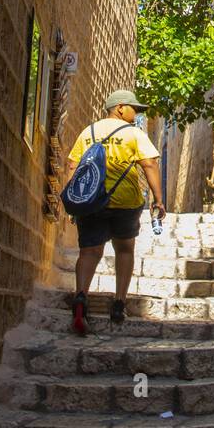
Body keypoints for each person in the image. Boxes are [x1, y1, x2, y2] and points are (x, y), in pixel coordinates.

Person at [62, 90, 166, 333]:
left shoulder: (88, 132)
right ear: (120, 108)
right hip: (125, 202)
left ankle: (80, 299)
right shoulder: (133, 133)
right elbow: (149, 163)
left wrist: (74, 201)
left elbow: (72, 165)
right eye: (134, 108)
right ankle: (119, 303)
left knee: (89, 252)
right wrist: (158, 199)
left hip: (91, 201)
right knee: (124, 249)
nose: (136, 114)